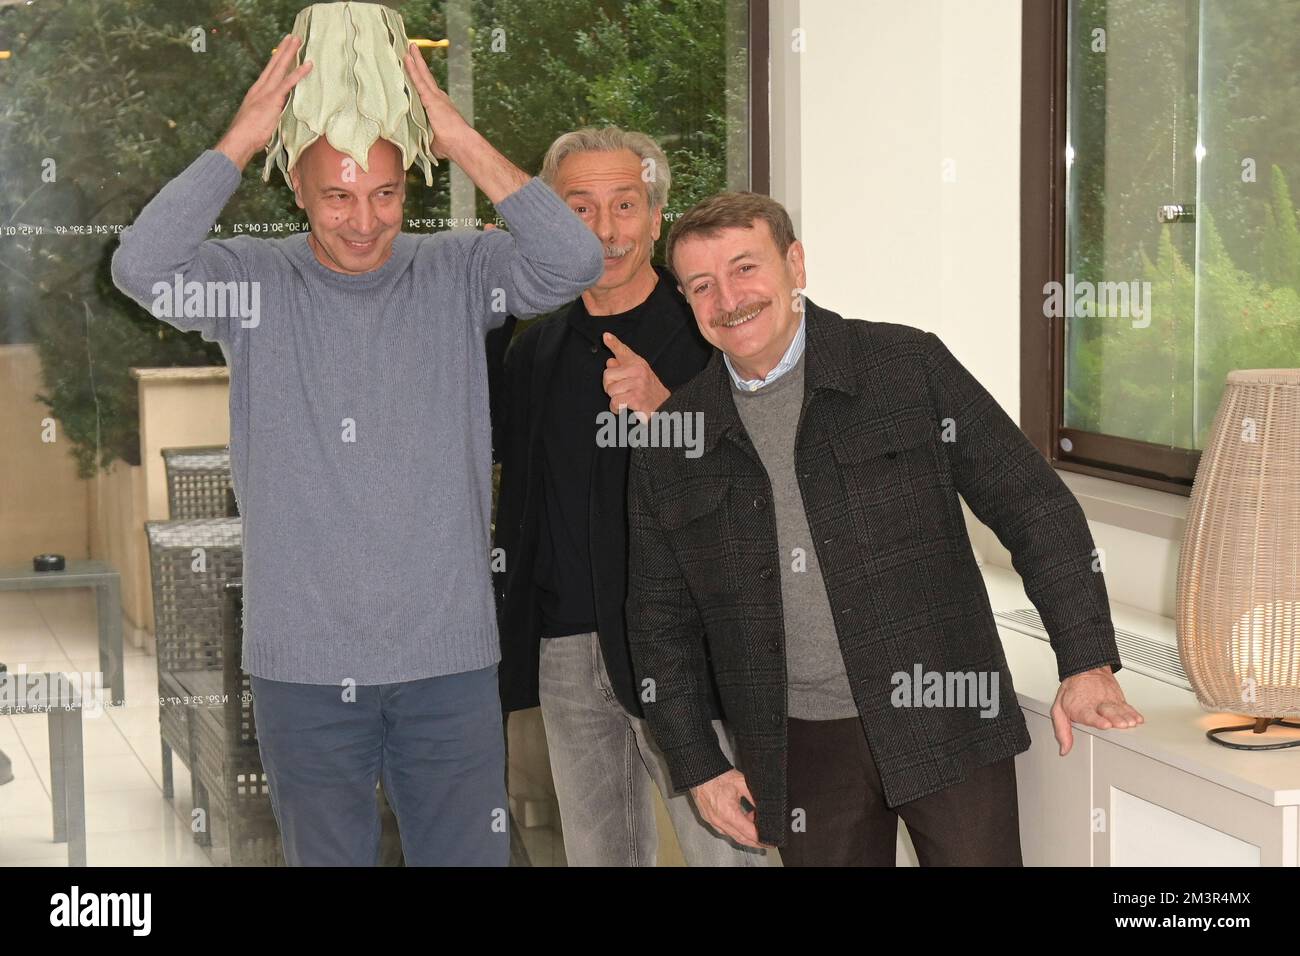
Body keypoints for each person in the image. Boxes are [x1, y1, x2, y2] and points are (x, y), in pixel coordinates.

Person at [110, 34, 602, 865]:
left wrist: (458, 135)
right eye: (338, 196)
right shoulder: (251, 286)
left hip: (447, 661)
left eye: (385, 191)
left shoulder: (458, 272)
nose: (366, 220)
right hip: (303, 666)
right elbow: (143, 266)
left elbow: (573, 258)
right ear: (295, 188)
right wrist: (238, 139)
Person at [626, 191, 1144, 866]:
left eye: (745, 268)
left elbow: (1031, 503)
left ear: (795, 264)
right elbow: (657, 620)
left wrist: (1086, 659)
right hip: (798, 746)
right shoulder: (672, 440)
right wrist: (697, 764)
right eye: (703, 285)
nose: (729, 298)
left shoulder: (905, 366)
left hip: (948, 717)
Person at [492, 127, 763, 866]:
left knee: (730, 855)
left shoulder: (713, 330)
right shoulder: (534, 350)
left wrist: (670, 411)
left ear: (656, 214)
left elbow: (767, 481)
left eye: (625, 205)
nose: (606, 230)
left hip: (689, 647)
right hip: (570, 647)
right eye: (579, 209)